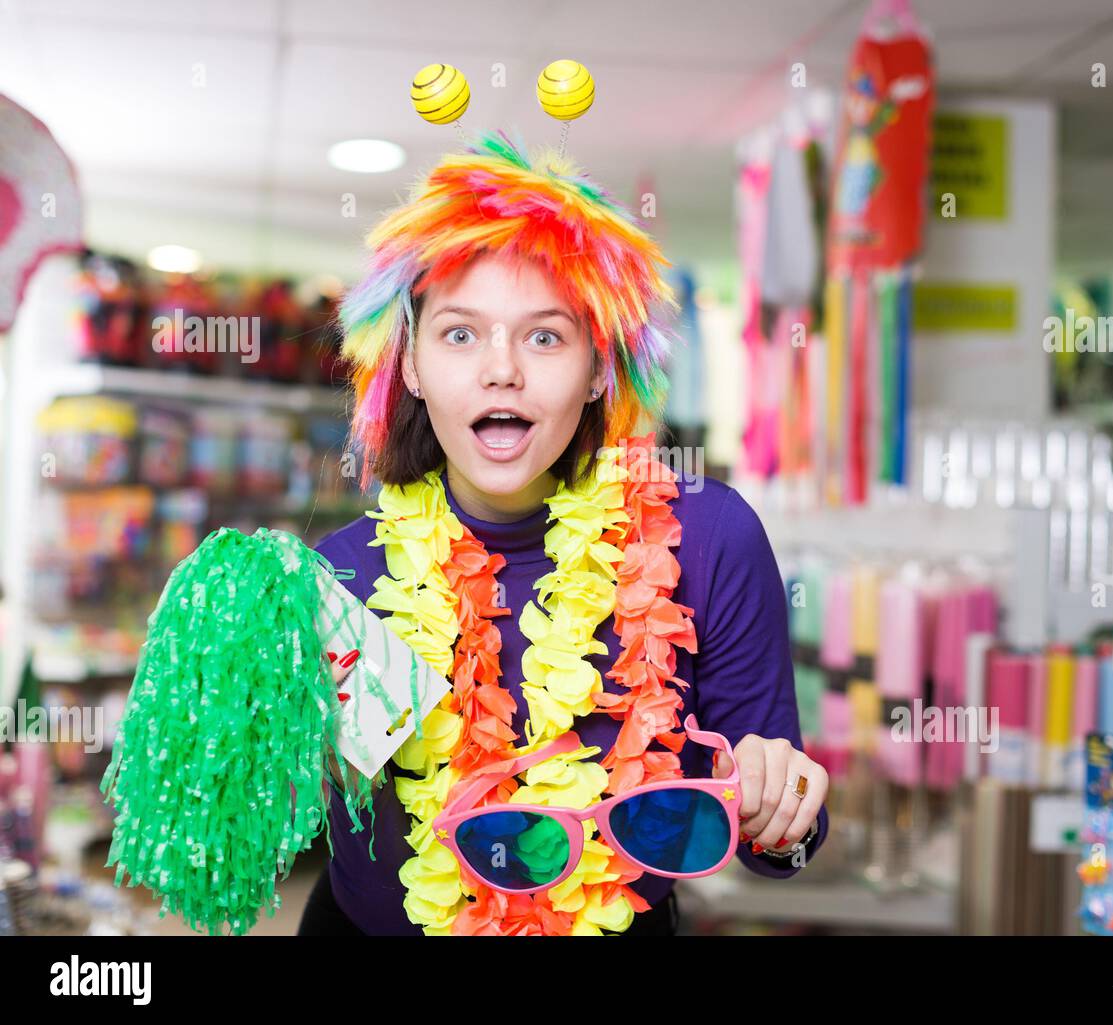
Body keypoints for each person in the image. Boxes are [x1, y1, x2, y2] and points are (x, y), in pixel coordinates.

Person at [300, 132, 829, 936]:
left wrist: (781, 801)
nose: (501, 369)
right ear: (409, 364)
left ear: (597, 370)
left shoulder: (710, 539)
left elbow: (776, 846)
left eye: (544, 336)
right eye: (460, 333)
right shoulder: (333, 579)